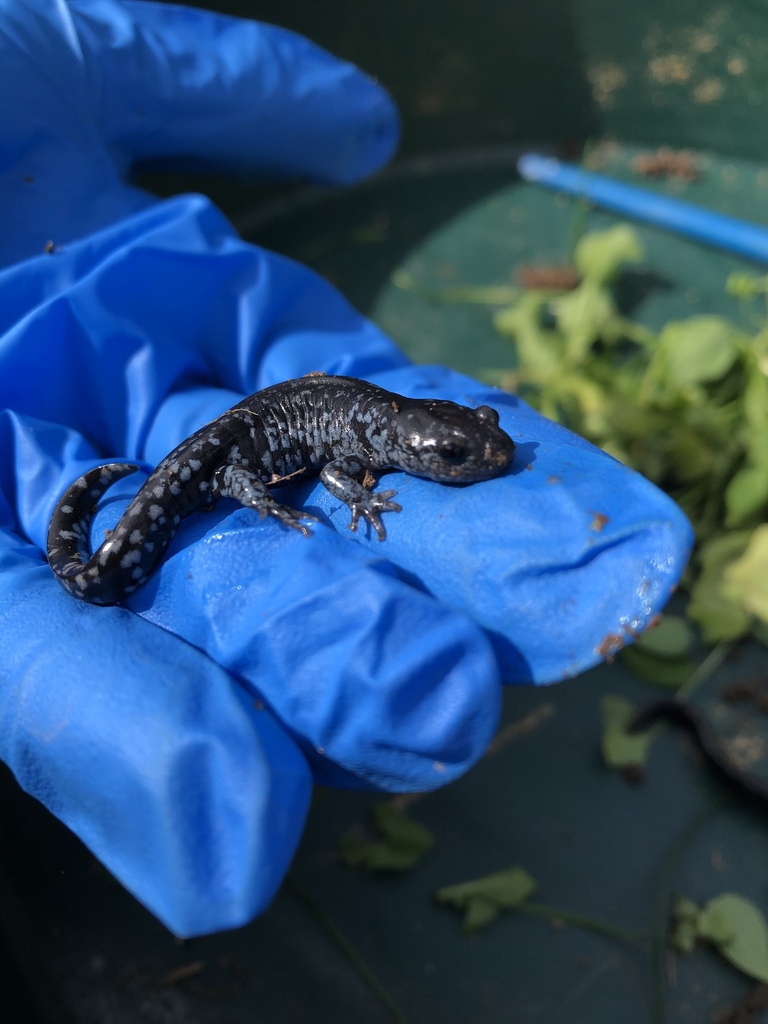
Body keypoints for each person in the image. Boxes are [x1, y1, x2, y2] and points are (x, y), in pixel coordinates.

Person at [0, 0, 692, 937]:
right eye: (458, 449)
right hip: (225, 456)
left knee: (178, 507)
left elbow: (340, 445)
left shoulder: (386, 430)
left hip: (249, 430)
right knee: (114, 565)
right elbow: (325, 463)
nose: (478, 451)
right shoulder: (364, 446)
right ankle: (103, 519)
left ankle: (103, 510)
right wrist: (297, 497)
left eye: (470, 440)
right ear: (412, 443)